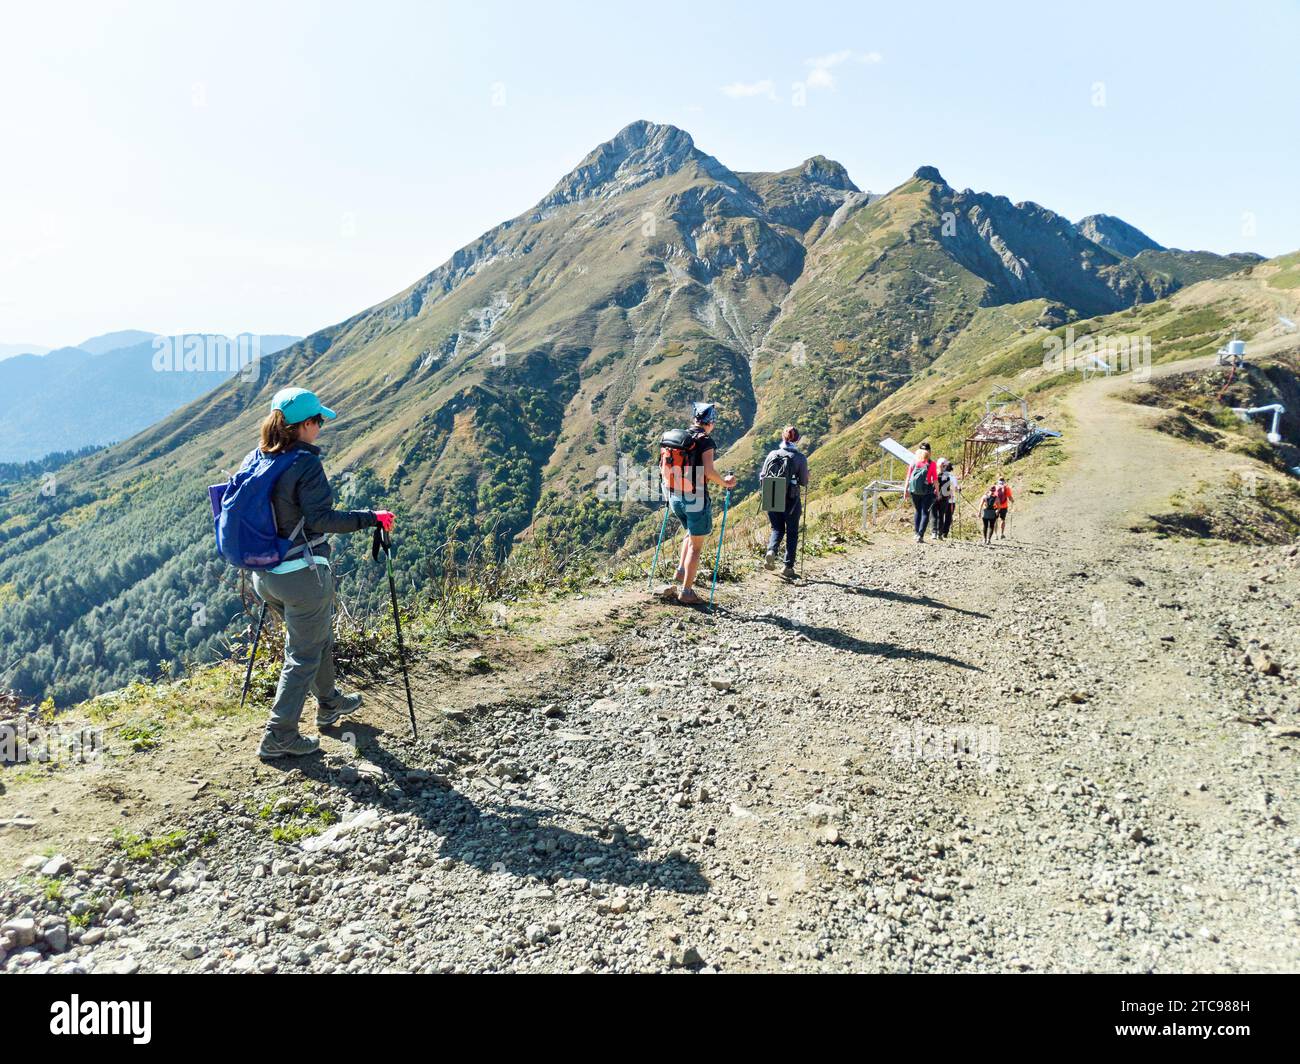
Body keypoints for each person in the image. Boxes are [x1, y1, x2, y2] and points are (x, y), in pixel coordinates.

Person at [250, 387, 395, 759]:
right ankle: (279, 734)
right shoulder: (305, 464)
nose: (321, 427)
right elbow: (321, 519)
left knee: (316, 640)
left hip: (266, 575)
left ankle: (329, 702)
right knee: (303, 653)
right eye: (317, 421)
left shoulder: (259, 458)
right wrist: (371, 518)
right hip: (301, 574)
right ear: (302, 425)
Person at [657, 401, 737, 606]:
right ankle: (686, 591)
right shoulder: (705, 441)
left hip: (675, 496)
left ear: (694, 419)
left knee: (689, 534)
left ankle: (681, 571)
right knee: (697, 547)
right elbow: (709, 472)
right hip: (696, 497)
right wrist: (726, 483)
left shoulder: (679, 438)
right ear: (710, 422)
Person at [759, 425, 810, 580]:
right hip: (791, 498)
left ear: (782, 437)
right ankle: (788, 567)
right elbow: (803, 481)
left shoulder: (772, 454)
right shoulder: (800, 458)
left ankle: (771, 551)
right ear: (797, 440)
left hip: (772, 493)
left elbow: (763, 475)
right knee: (792, 532)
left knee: (777, 528)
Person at [903, 442, 938, 543]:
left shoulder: (914, 462)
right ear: (929, 452)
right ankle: (920, 535)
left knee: (918, 511)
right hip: (927, 491)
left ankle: (916, 533)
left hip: (914, 491)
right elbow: (935, 479)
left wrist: (905, 490)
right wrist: (938, 492)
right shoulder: (932, 464)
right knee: (925, 512)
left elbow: (908, 477)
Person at [933, 458, 958, 540]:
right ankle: (942, 533)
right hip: (948, 498)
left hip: (938, 497)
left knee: (936, 516)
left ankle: (936, 532)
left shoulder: (936, 473)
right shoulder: (951, 476)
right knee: (944, 517)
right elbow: (955, 488)